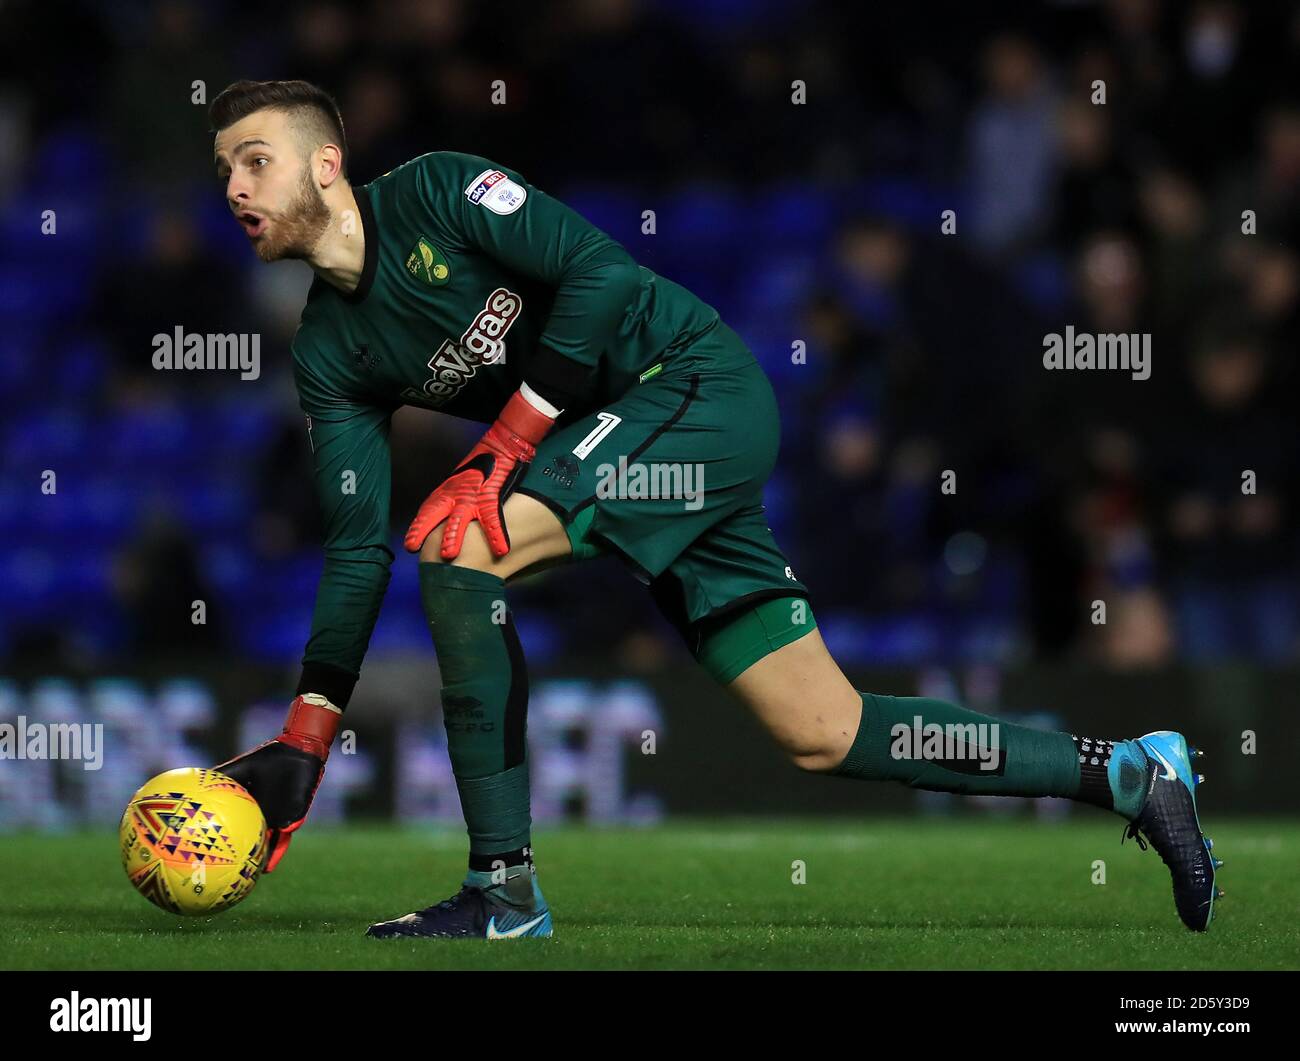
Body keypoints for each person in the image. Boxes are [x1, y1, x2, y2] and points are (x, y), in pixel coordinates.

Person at [209, 80, 1220, 938]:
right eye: (224, 172)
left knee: (458, 541)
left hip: (687, 384)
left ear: (328, 164)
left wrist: (507, 443)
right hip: (623, 452)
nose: (235, 188)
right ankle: (1129, 772)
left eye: (254, 160)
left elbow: (598, 274)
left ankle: (501, 883)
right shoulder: (329, 352)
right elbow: (351, 553)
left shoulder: (435, 189)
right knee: (824, 727)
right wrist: (306, 734)